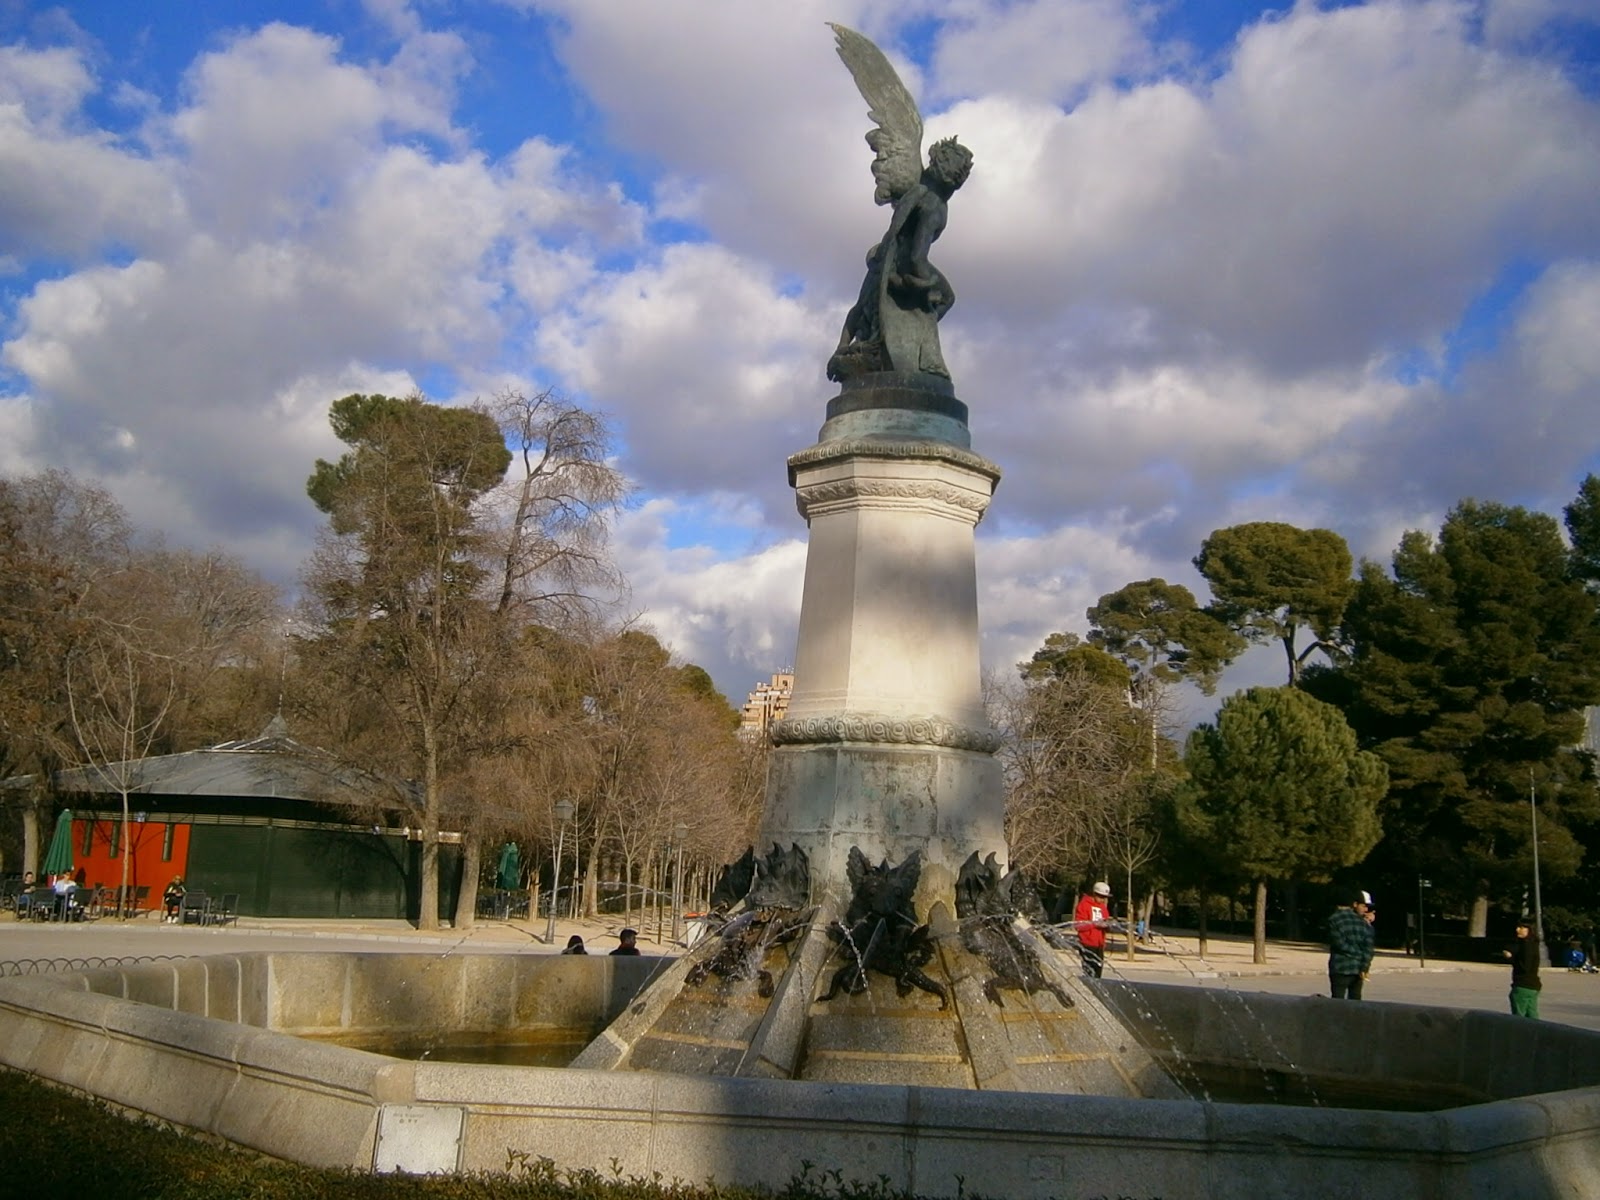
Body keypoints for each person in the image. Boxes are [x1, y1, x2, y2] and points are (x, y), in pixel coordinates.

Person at [1328, 889, 1375, 999]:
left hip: (1340, 967)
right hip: (1358, 969)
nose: (1366, 909)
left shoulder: (1334, 919)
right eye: (1364, 906)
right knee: (1356, 999)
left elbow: (1339, 943)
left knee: (1338, 1000)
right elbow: (1369, 948)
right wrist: (1364, 965)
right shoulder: (1364, 923)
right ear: (1354, 904)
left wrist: (1355, 954)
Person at [1073, 882, 1113, 979]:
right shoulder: (1083, 905)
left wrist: (1108, 926)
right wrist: (1095, 924)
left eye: (1105, 897)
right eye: (1100, 896)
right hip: (1087, 944)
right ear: (1094, 894)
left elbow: (1106, 920)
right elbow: (1079, 925)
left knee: (1098, 973)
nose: (1103, 899)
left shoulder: (1103, 907)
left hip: (1099, 944)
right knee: (1089, 973)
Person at [1505, 918, 1542, 1018]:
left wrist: (1511, 958)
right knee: (1532, 1015)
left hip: (1523, 984)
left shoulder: (1526, 946)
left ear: (1529, 929)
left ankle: (1521, 1033)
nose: (1517, 929)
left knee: (1519, 1016)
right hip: (1533, 985)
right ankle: (1537, 1032)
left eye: (1521, 927)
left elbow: (1525, 966)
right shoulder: (1533, 943)